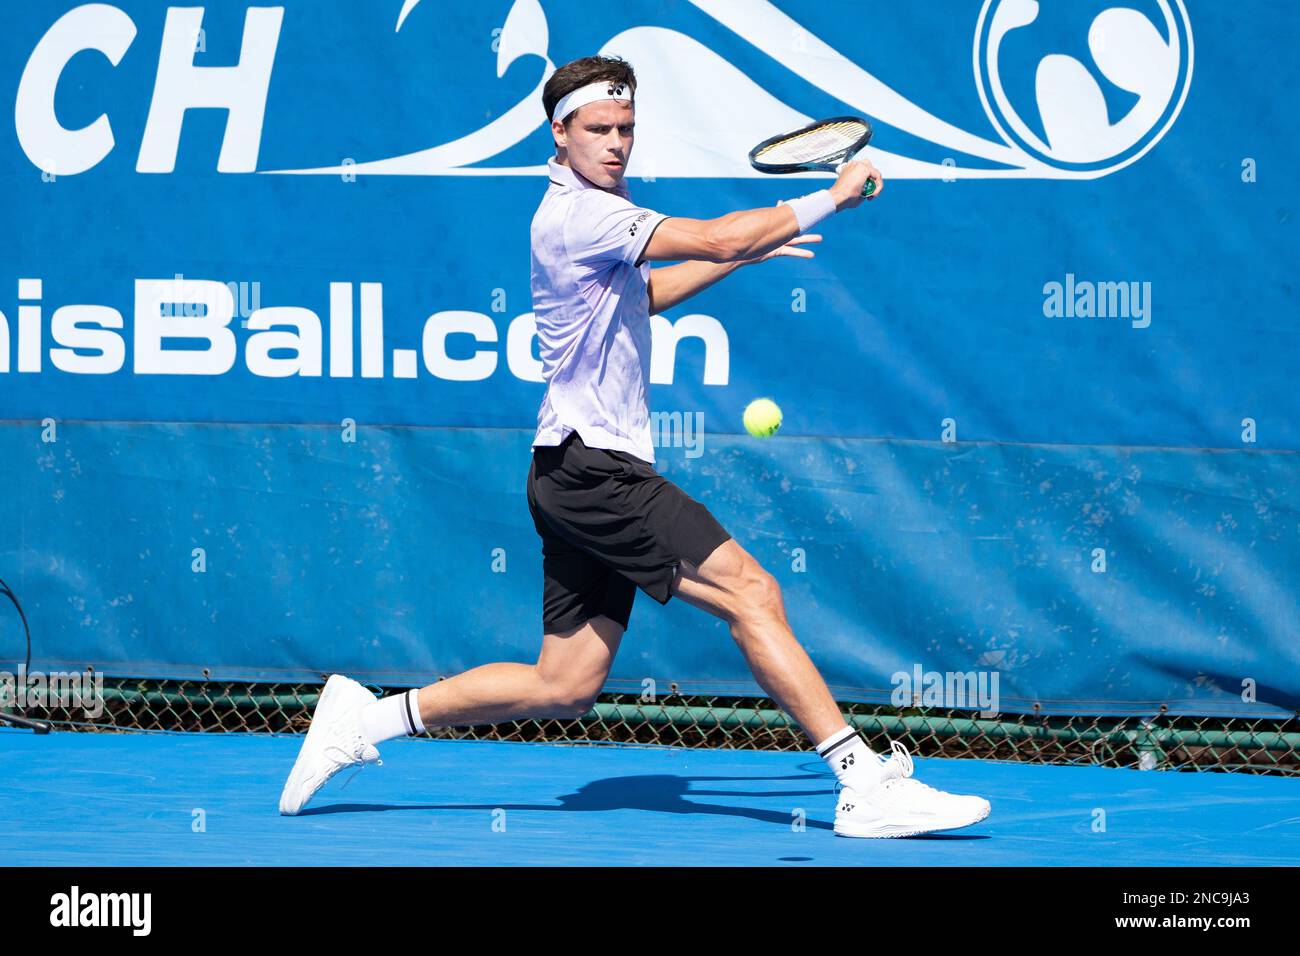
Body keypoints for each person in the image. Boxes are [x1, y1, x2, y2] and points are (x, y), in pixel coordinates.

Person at [281, 55, 991, 838]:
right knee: (752, 593)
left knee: (564, 683)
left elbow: (645, 294)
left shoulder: (595, 212)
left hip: (566, 472)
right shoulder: (579, 213)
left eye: (625, 128)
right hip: (596, 472)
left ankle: (365, 721)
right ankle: (861, 782)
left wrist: (739, 253)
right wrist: (828, 197)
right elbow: (714, 236)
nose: (616, 142)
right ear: (560, 133)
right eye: (599, 129)